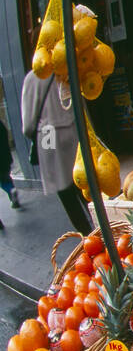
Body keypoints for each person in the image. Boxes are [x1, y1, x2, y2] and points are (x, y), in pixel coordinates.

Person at [21, 70, 93, 235]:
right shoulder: (65, 70)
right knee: (86, 187)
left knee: (67, 196)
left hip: (49, 136)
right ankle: (102, 230)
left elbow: (28, 127)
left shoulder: (33, 79)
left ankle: (88, 237)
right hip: (75, 134)